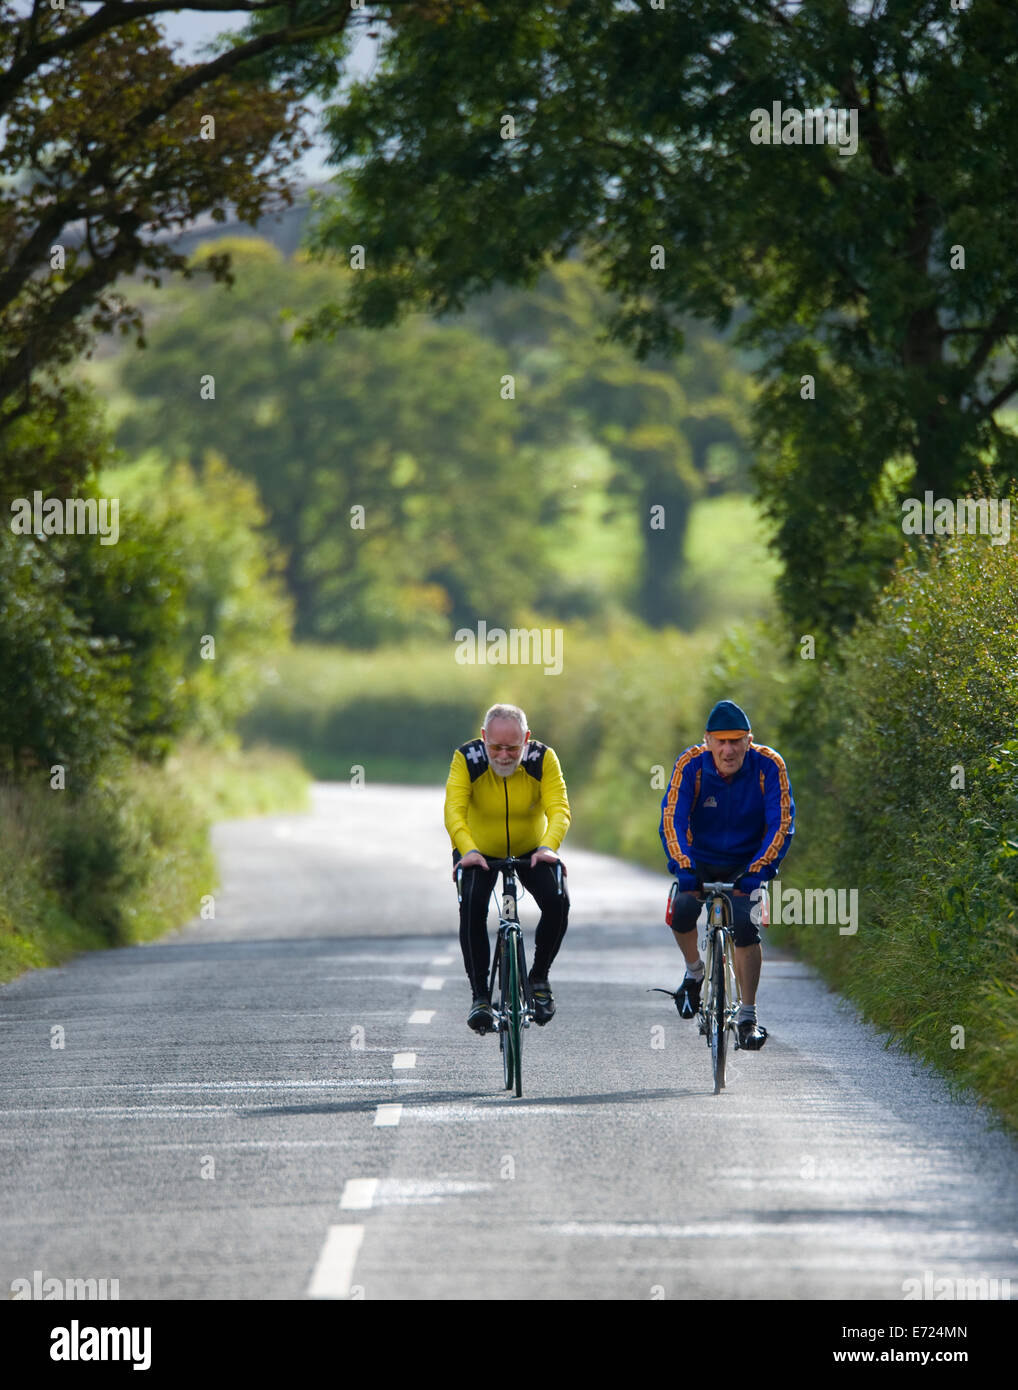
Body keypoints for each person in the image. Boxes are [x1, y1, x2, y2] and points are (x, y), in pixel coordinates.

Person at [659, 699, 794, 1050]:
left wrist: (759, 870)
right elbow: (673, 819)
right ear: (707, 741)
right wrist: (683, 865)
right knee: (684, 910)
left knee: (747, 927)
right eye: (720, 741)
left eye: (736, 741)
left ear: (749, 740)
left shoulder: (769, 765)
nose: (728, 749)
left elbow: (781, 822)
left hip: (747, 864)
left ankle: (748, 1015)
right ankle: (693, 972)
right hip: (699, 860)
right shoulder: (691, 765)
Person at [444, 703, 570, 1033]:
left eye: (512, 748)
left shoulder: (543, 759)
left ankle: (539, 978)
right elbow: (454, 811)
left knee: (558, 900)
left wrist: (549, 847)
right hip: (478, 851)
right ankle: (481, 996)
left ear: (526, 740)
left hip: (532, 850)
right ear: (483, 738)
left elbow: (559, 810)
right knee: (471, 905)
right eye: (495, 746)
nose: (503, 755)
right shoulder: (466, 759)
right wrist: (467, 850)